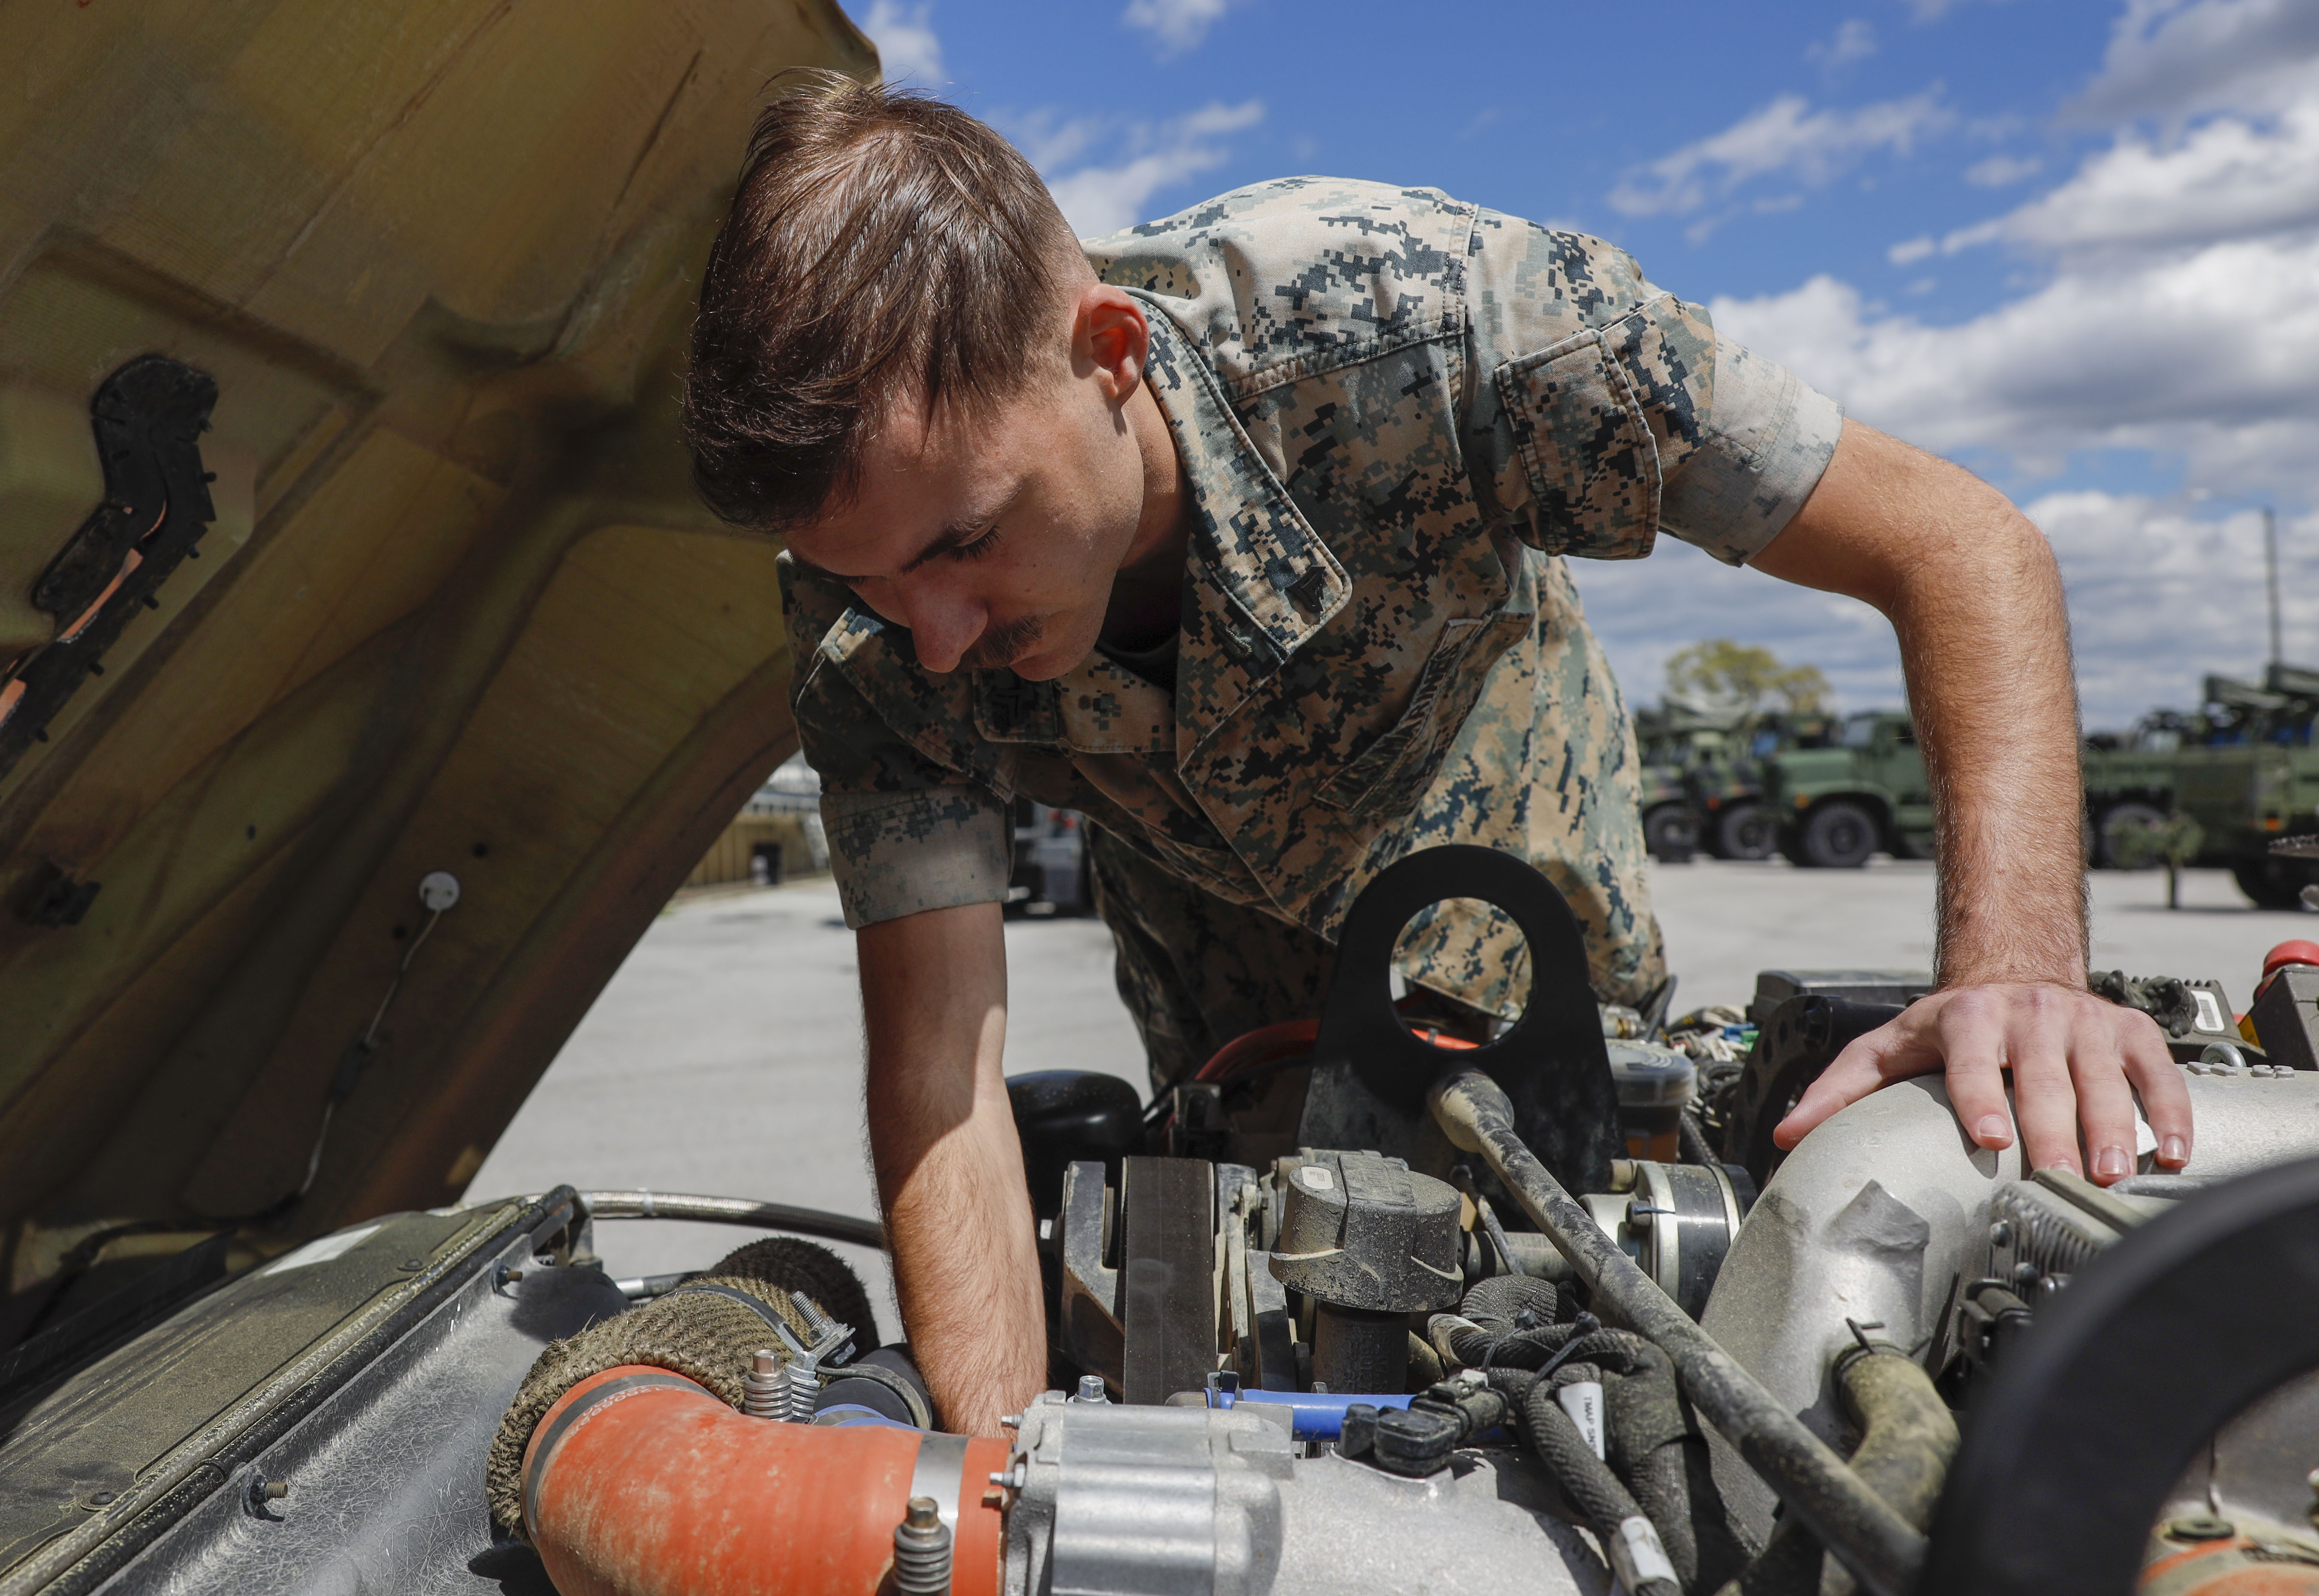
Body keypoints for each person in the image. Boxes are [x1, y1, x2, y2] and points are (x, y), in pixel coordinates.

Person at [679, 75, 2191, 1435]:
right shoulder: (860, 608)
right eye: (876, 581)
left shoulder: (1425, 328)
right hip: (1229, 1052)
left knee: (1608, 1357)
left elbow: (1958, 545)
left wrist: (2021, 973)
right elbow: (942, 1070)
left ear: (1109, 354)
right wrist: (1009, 1476)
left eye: (966, 541)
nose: (931, 636)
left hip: (1544, 991)